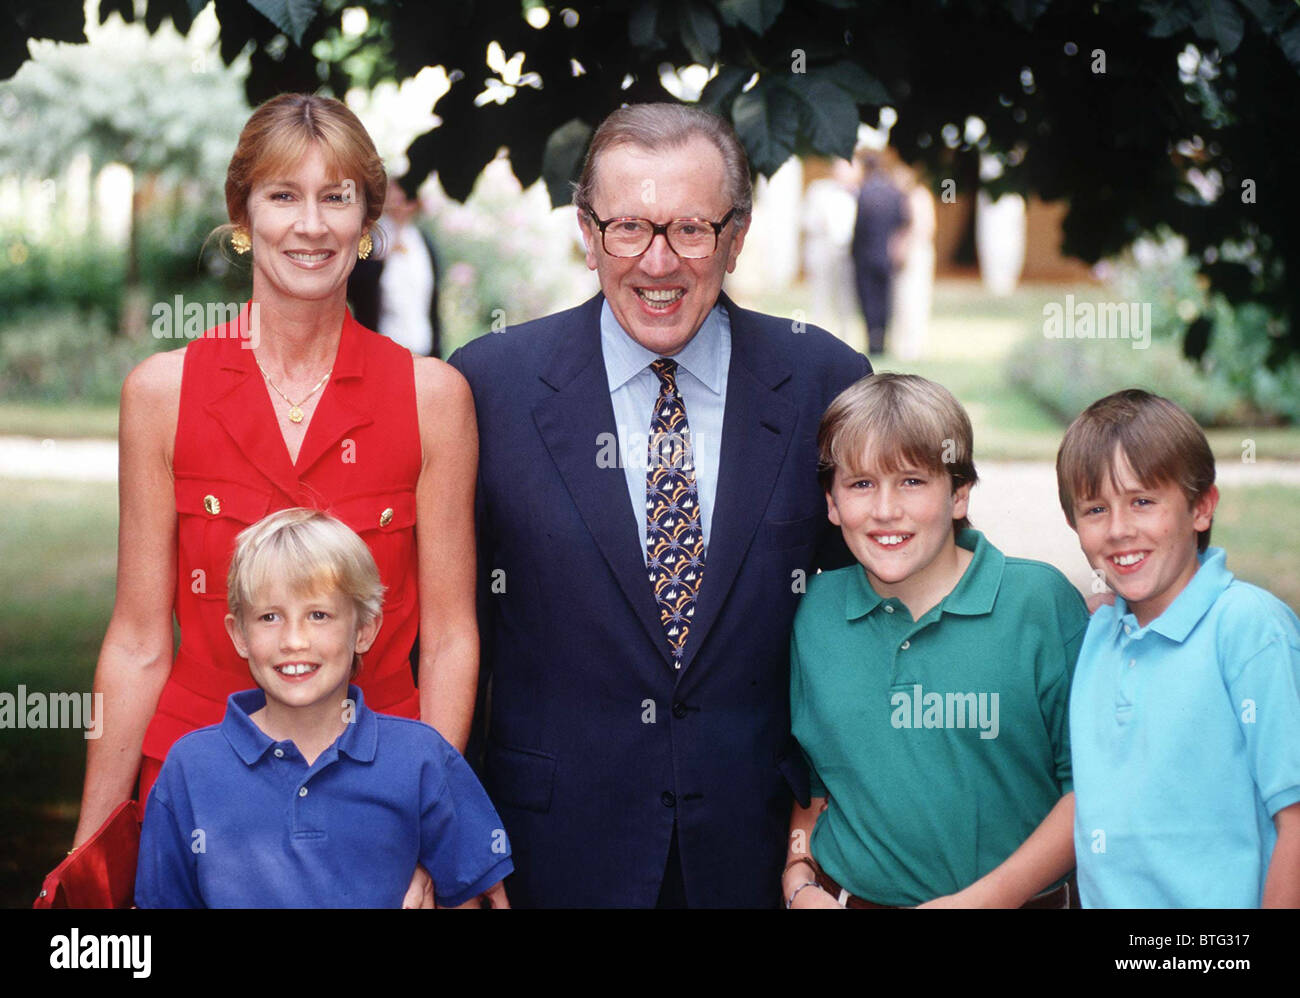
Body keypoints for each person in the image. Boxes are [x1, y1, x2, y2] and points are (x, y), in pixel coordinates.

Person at [448, 102, 871, 907]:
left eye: (690, 229)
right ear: (586, 230)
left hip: (762, 861)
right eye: (630, 227)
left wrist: (815, 839)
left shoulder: (825, 380)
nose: (658, 261)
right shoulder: (489, 385)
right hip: (545, 855)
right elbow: (448, 637)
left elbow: (871, 620)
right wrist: (453, 833)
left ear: (737, 236)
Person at [72, 95, 479, 909]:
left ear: (369, 220)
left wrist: (434, 828)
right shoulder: (163, 393)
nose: (311, 225)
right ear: (242, 217)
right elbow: (139, 640)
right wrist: (89, 858)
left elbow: (450, 640)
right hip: (196, 792)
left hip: (375, 796)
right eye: (283, 196)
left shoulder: (432, 397)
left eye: (337, 197)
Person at [784, 373, 1085, 908]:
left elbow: (1087, 791)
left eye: (912, 482)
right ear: (831, 504)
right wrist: (798, 873)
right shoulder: (817, 613)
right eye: (860, 485)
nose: (884, 510)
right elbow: (814, 782)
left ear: (959, 494)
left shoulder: (1039, 605)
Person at [134, 509, 511, 908]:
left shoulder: (421, 758)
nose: (294, 640)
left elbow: (474, 897)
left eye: (318, 615)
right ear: (239, 635)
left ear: (364, 630)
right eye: (269, 616)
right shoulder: (191, 769)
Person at [1057, 389, 1300, 908]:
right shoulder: (1101, 635)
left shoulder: (1250, 629)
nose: (1120, 530)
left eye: (1143, 501)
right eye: (1095, 509)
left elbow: (1297, 822)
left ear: (1201, 508)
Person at [348, 177, 443, 357]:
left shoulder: (423, 242)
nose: (399, 201)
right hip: (380, 346)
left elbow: (432, 302)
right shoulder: (369, 240)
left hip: (422, 346)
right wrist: (382, 260)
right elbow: (355, 288)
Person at [850, 150, 909, 356]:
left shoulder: (864, 192)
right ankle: (883, 339)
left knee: (868, 300)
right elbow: (903, 222)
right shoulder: (895, 191)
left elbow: (859, 227)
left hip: (866, 256)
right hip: (887, 256)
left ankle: (873, 340)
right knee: (885, 300)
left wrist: (853, 253)